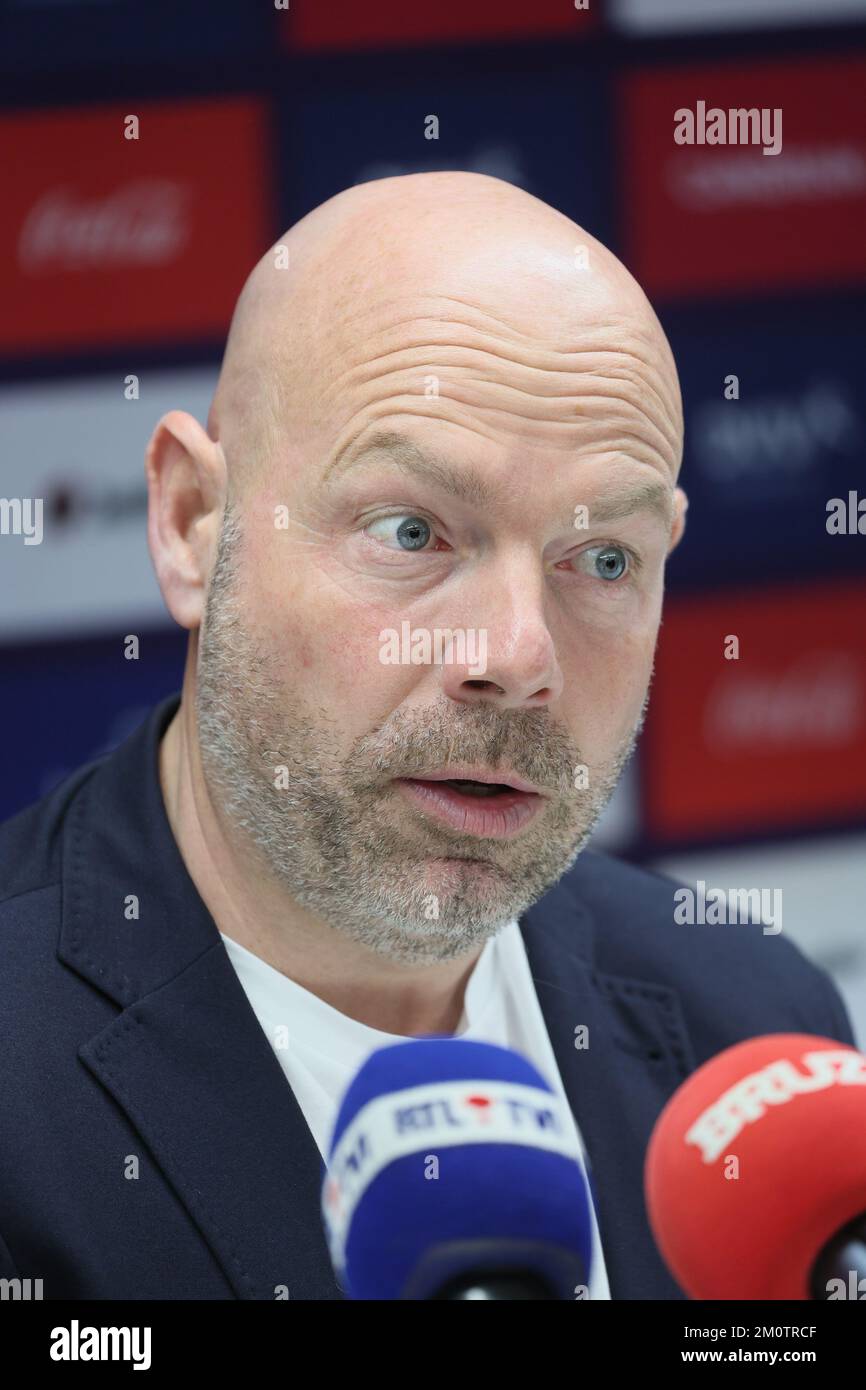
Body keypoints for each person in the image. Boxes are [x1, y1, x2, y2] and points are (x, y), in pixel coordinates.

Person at [0, 172, 855, 1301]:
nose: (515, 656)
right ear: (190, 526)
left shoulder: (750, 1026)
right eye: (411, 530)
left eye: (602, 558)